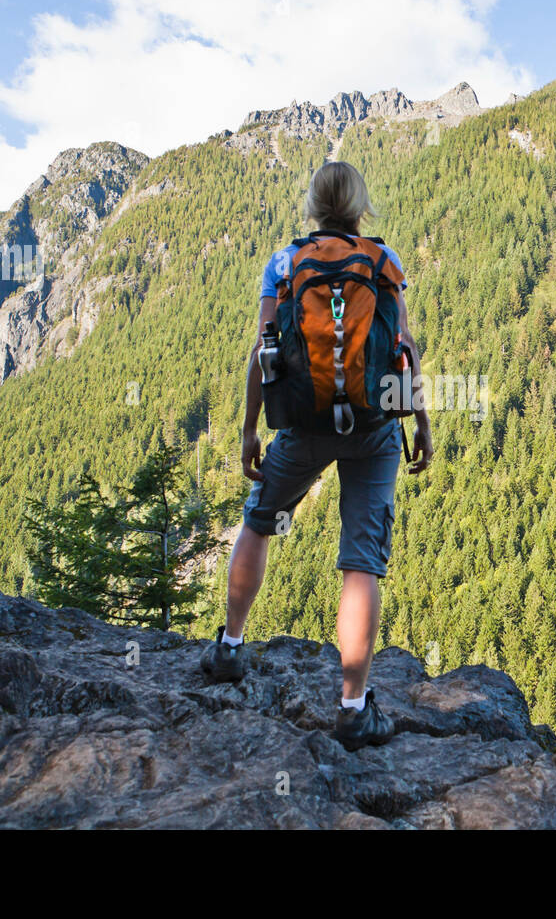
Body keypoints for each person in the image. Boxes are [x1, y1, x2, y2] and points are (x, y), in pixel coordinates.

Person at [201, 161, 433, 751]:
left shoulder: (284, 263)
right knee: (361, 560)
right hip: (375, 426)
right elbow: (403, 347)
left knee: (261, 518)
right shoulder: (383, 262)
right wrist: (422, 422)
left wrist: (250, 428)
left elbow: (264, 350)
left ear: (312, 205)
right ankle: (353, 708)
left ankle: (229, 649)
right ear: (361, 205)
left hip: (302, 424)